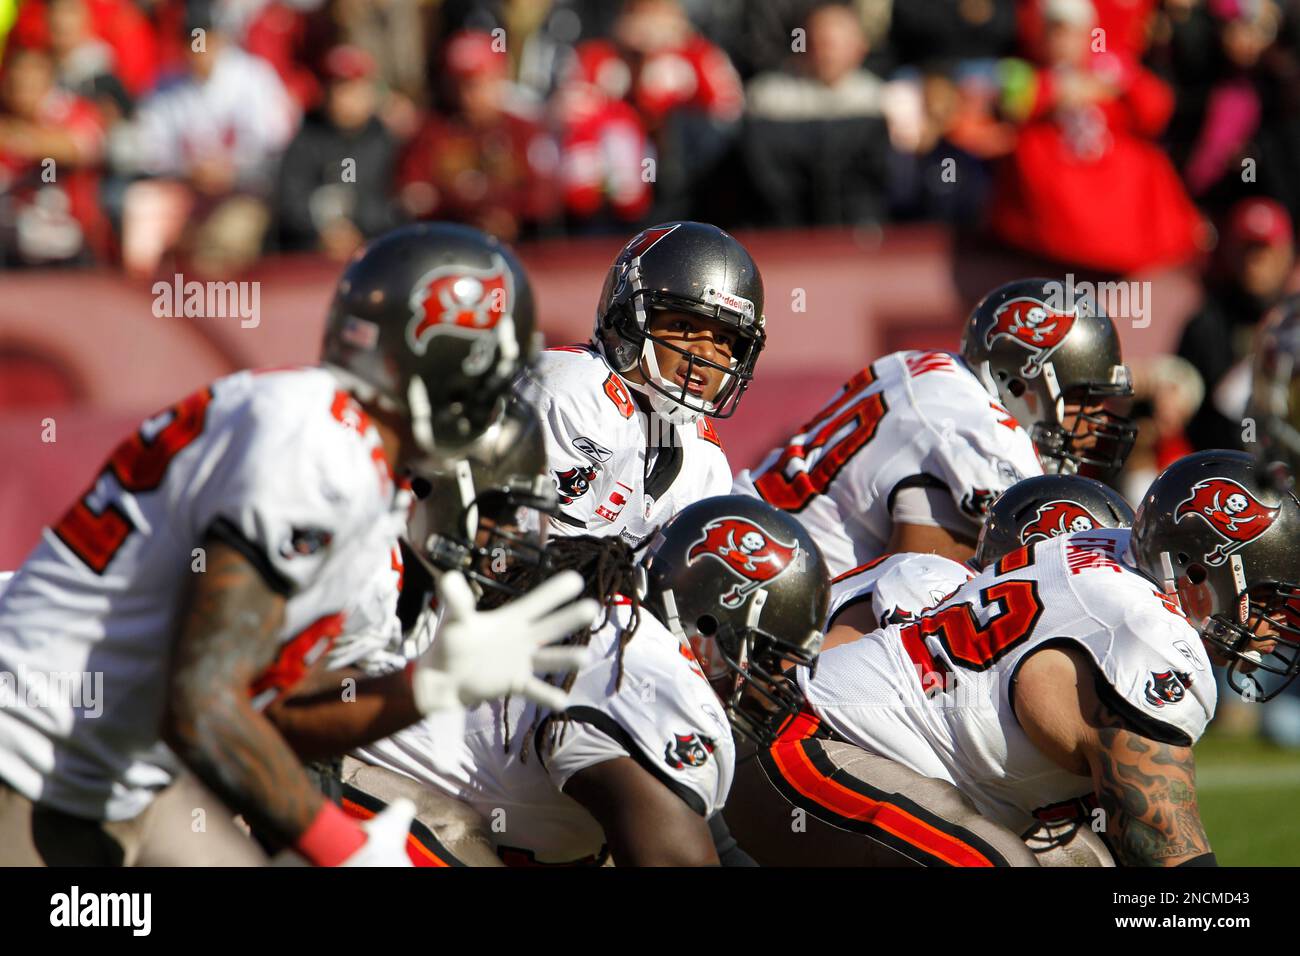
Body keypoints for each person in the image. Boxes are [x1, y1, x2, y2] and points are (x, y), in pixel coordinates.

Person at [0, 223, 595, 867]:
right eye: (492, 376)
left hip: (129, 771)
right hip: (30, 750)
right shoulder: (316, 444)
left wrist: (424, 689)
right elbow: (200, 709)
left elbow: (273, 719)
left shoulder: (368, 483)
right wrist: (343, 850)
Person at [726, 450, 1300, 867]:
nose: (1277, 627)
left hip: (884, 759)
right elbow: (1166, 844)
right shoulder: (1147, 633)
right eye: (1271, 598)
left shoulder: (1097, 552)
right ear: (1197, 571)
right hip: (811, 745)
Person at [346, 495, 831, 865]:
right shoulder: (649, 672)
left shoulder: (621, 630)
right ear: (710, 624)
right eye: (771, 658)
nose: (780, 690)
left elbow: (719, 849)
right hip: (359, 790)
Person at [735, 277, 1135, 575]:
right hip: (770, 580)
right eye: (1083, 399)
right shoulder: (981, 436)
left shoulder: (928, 368)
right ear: (1018, 382)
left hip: (746, 528)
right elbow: (912, 605)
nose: (1096, 422)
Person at [516, 221, 765, 551]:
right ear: (628, 319)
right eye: (684, 325)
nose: (706, 354)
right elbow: (528, 561)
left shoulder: (706, 461)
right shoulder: (571, 391)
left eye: (724, 339)